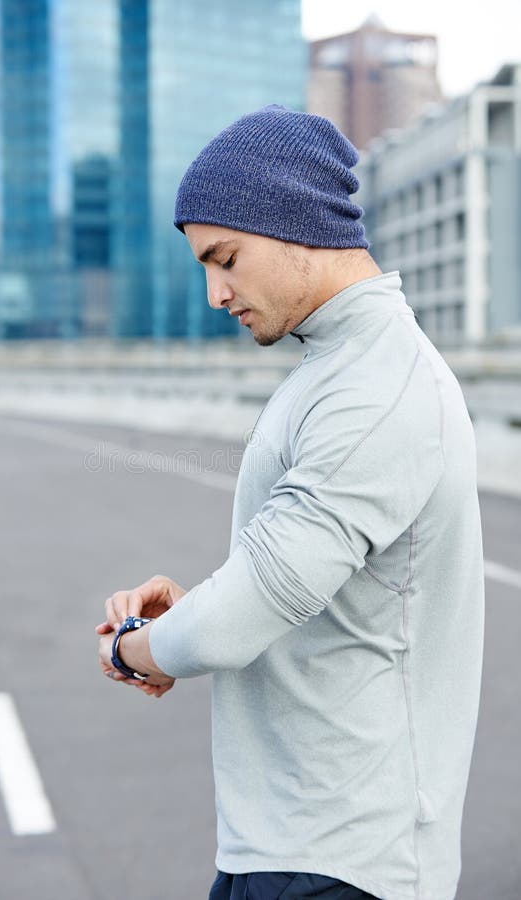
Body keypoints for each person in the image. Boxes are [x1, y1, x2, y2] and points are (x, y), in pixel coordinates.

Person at [95, 106, 484, 900]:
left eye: (225, 258)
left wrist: (128, 648)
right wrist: (186, 617)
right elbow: (294, 576)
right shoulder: (335, 367)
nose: (214, 292)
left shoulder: (377, 388)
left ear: (294, 221)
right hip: (286, 845)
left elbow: (241, 616)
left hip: (342, 861)